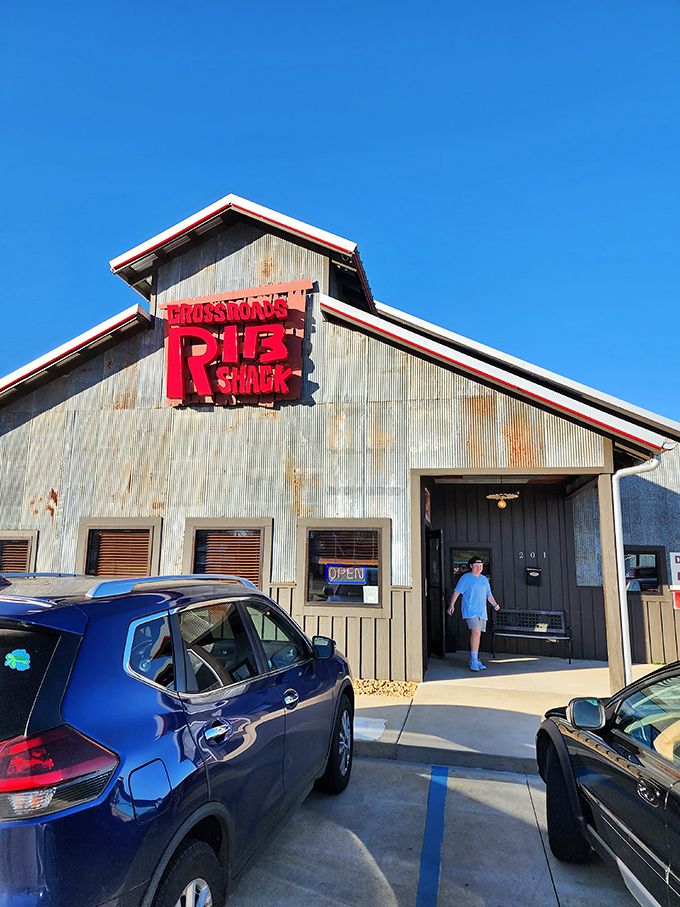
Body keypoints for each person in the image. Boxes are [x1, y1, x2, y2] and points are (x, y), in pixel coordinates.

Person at [447, 557, 500, 671]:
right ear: (471, 566)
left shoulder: (484, 579)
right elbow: (457, 592)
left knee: (478, 634)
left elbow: (488, 594)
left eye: (481, 566)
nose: (479, 568)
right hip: (470, 609)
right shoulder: (465, 578)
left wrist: (495, 604)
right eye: (476, 565)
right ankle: (474, 660)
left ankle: (475, 659)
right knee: (475, 631)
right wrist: (452, 605)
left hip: (482, 611)